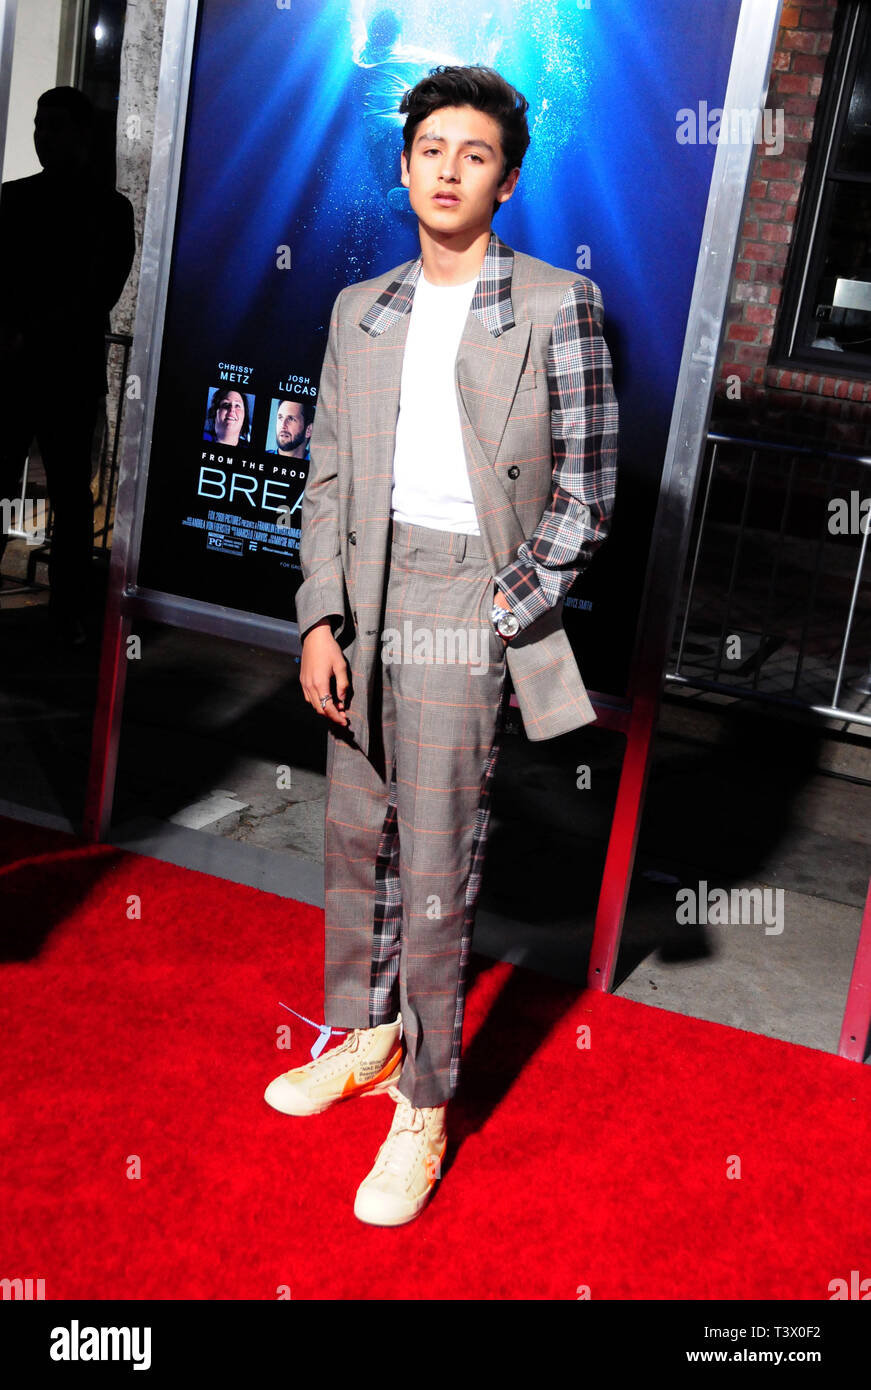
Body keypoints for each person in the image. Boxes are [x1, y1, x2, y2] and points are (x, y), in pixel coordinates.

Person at [264, 65, 618, 1226]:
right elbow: (323, 479)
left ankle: (424, 1099)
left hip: (475, 596)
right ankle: (365, 1039)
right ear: (404, 165)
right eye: (431, 149)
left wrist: (503, 610)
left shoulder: (559, 305)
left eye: (474, 153)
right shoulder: (358, 307)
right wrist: (320, 613)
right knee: (357, 835)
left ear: (505, 179)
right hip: (365, 590)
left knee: (434, 865)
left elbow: (588, 495)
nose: (449, 169)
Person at [0, 87, 135, 644]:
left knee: (72, 501)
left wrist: (23, 330)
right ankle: (66, 617)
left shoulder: (108, 209)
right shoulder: (15, 198)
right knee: (62, 498)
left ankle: (68, 615)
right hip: (32, 368)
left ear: (82, 136)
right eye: (38, 125)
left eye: (53, 127)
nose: (42, 136)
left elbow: (99, 291)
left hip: (57, 371)